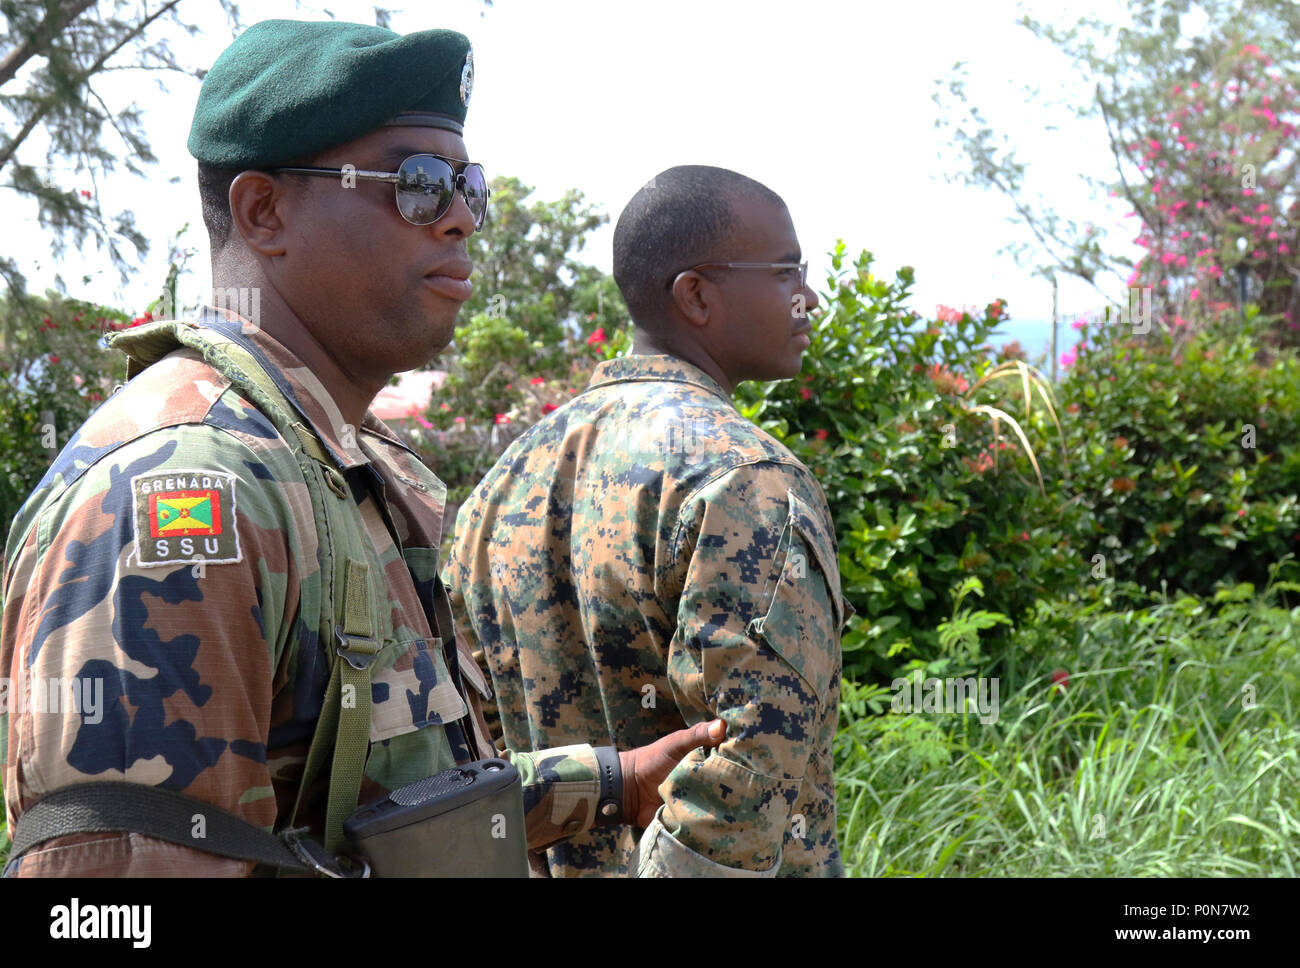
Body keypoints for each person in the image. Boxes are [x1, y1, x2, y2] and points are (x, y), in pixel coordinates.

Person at [0, 20, 722, 878]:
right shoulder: (186, 490)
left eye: (467, 185)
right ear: (263, 210)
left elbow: (365, 808)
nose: (460, 219)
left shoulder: (323, 463)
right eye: (416, 183)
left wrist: (608, 782)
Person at [446, 165, 853, 878]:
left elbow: (464, 754)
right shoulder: (745, 479)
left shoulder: (505, 476)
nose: (807, 297)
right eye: (787, 270)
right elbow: (748, 777)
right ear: (697, 294)